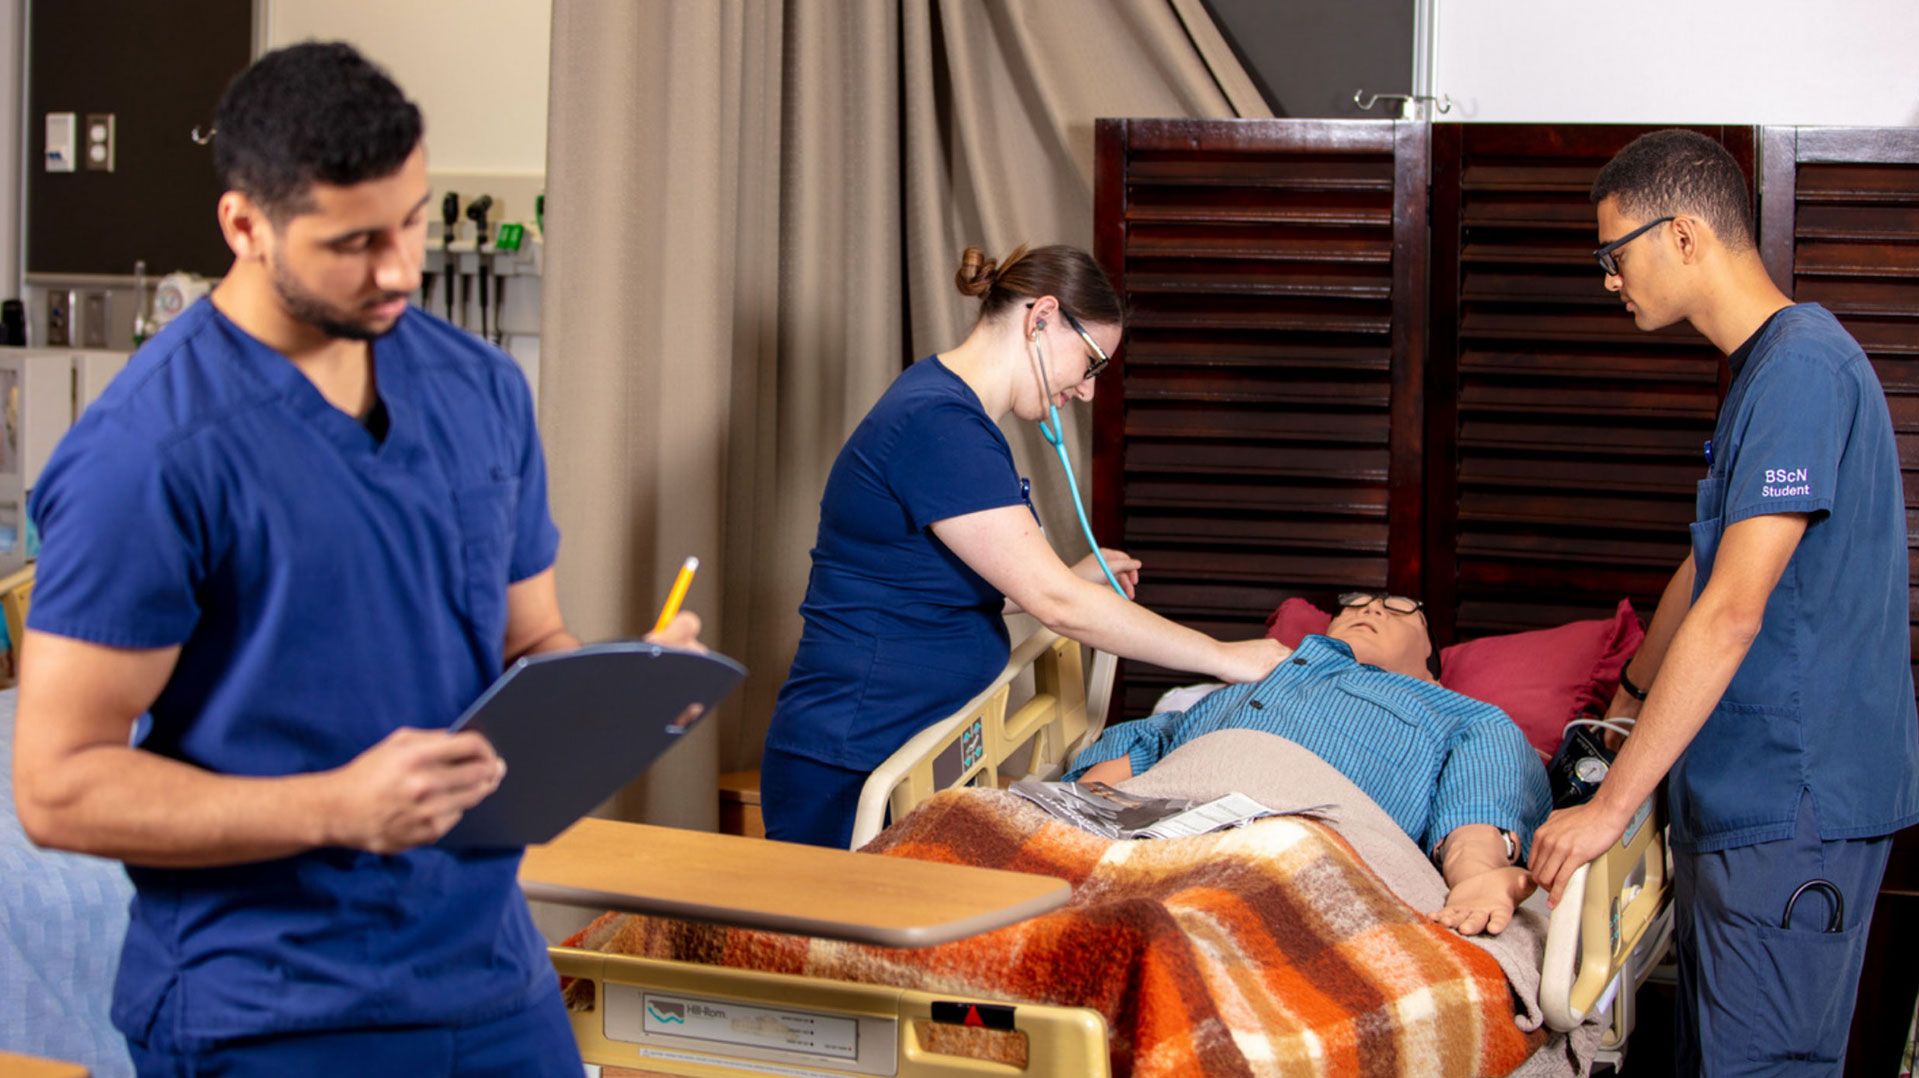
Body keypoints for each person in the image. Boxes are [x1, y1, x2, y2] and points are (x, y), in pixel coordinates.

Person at [11, 43, 698, 1075]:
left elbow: (528, 638)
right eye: (353, 242)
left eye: (413, 221)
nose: (397, 269)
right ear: (245, 224)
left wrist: (611, 693)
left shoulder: (478, 390)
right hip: (271, 1007)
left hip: (489, 976)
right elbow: (56, 787)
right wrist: (335, 807)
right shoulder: (146, 456)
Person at [1527, 129, 1919, 1072]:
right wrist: (1622, 707)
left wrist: (1610, 809)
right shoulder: (1764, 374)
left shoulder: (1801, 372)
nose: (1610, 281)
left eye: (1614, 255)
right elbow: (1701, 569)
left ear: (1684, 234)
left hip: (1794, 802)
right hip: (1750, 799)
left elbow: (1735, 609)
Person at [761, 244, 1287, 848]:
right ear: (1040, 318)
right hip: (850, 758)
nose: (1086, 392)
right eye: (1090, 364)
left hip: (904, 752)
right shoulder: (938, 423)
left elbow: (927, 585)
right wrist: (1223, 657)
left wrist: (1070, 574)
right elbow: (1054, 605)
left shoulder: (953, 414)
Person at [1068, 592, 1552, 936]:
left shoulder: (1455, 711)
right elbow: (1145, 747)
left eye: (1403, 608)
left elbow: (1485, 784)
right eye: (1356, 603)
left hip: (1308, 832)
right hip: (1166, 824)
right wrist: (1067, 821)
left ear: (1432, 663)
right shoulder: (1242, 688)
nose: (1372, 607)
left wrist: (1475, 874)